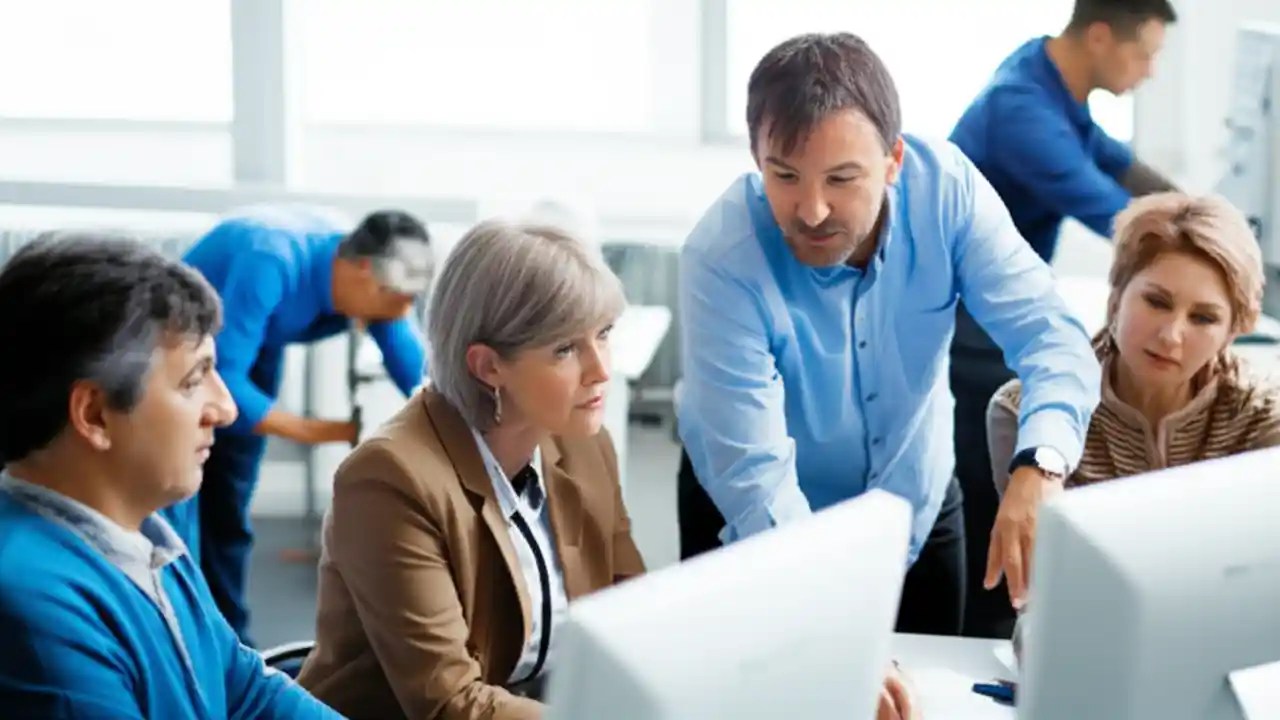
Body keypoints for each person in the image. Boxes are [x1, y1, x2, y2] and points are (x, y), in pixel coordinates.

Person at [675, 32, 1101, 639]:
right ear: (756, 158)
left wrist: (1042, 463)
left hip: (912, 501)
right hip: (755, 517)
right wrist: (840, 642)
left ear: (893, 161)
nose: (812, 209)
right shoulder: (721, 257)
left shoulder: (948, 192)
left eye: (842, 179)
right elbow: (757, 482)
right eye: (786, 175)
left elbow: (1052, 336)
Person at [296, 219, 644, 719]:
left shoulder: (584, 443)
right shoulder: (388, 481)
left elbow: (629, 607)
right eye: (566, 348)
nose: (602, 369)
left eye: (604, 334)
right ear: (488, 367)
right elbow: (449, 704)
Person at [0, 234, 343, 719]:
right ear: (95, 414)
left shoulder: (151, 538)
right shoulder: (35, 605)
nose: (224, 409)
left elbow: (245, 690)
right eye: (192, 381)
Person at [947, 0, 1179, 637]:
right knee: (990, 485)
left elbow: (1119, 162)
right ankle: (985, 635)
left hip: (995, 313)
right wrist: (1204, 245)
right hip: (968, 326)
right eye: (1146, 53)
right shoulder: (1022, 111)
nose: (1151, 70)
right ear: (1101, 37)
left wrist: (1201, 212)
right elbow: (1113, 211)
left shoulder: (1049, 78)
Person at [986, 193, 1280, 613]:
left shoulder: (1264, 414)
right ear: (1116, 296)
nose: (1171, 335)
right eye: (1156, 302)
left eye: (1203, 318)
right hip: (1082, 635)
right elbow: (1043, 595)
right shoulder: (1025, 412)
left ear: (1236, 328)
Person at [171, 205, 434, 646]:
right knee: (179, 509)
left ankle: (230, 642)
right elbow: (228, 379)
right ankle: (178, 634)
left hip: (257, 346)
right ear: (363, 271)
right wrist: (317, 432)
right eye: (398, 297)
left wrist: (450, 413)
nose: (402, 310)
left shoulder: (373, 292)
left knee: (229, 512)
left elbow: (412, 365)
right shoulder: (269, 261)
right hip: (188, 357)